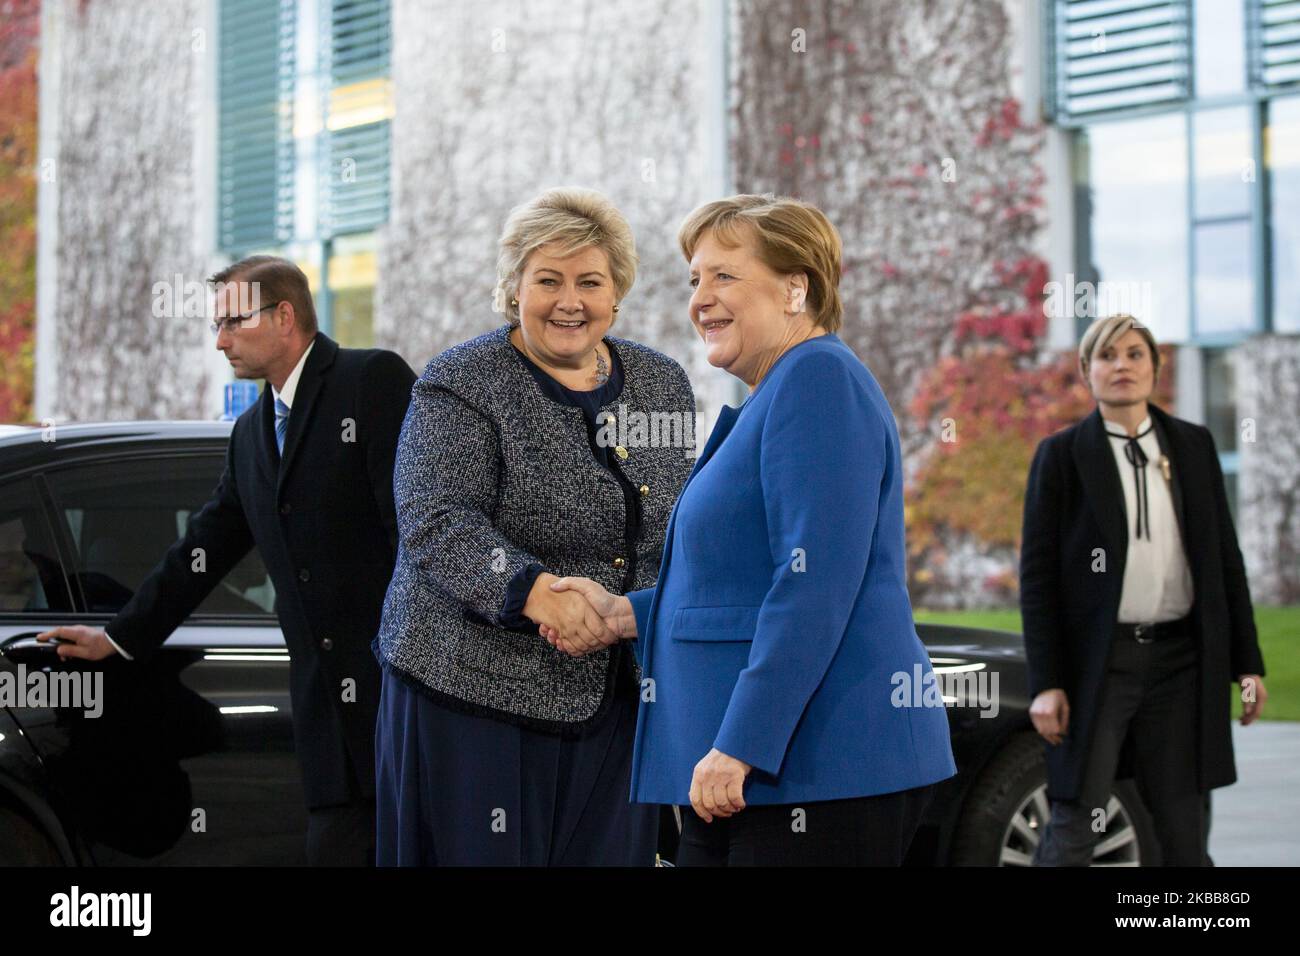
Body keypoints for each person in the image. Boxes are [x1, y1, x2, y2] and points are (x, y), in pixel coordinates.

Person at [545, 194, 957, 866]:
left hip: (818, 767)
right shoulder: (780, 390)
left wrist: (743, 744)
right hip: (766, 771)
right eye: (694, 280)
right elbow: (751, 580)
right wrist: (625, 614)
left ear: (797, 289)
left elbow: (816, 585)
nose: (701, 298)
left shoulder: (818, 379)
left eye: (725, 276)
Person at [38, 255, 416, 866]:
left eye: (232, 322)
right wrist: (119, 637)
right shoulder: (249, 435)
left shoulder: (371, 381)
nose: (220, 341)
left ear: (285, 315)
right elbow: (203, 549)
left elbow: (416, 533)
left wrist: (413, 662)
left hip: (402, 708)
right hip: (329, 736)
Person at [372, 187, 695, 866]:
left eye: (590, 281)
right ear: (513, 287)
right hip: (470, 696)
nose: (568, 301)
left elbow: (675, 525)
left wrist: (626, 613)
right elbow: (438, 521)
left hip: (611, 697)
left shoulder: (662, 385)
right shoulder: (461, 379)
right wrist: (537, 593)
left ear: (617, 292)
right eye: (547, 280)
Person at [1020, 314, 1268, 866]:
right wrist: (1048, 683)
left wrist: (1247, 666)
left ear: (1156, 366)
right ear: (1087, 371)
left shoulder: (1193, 447)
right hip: (1099, 667)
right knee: (1074, 820)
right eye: (1107, 356)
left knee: (1183, 830)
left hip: (1181, 665)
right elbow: (1037, 581)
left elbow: (1225, 563)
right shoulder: (1061, 458)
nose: (1122, 366)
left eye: (1135, 354)